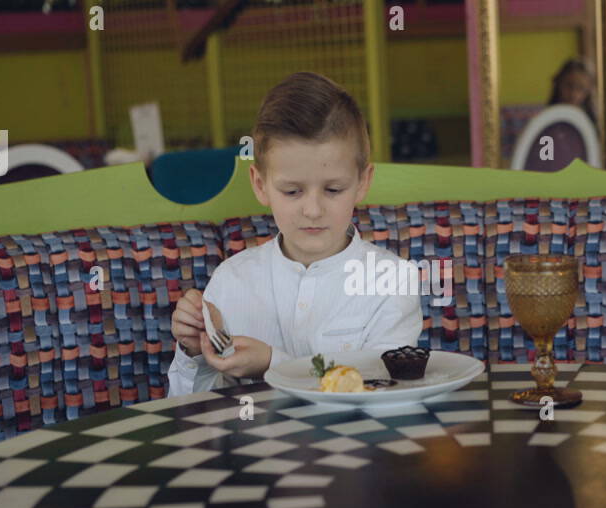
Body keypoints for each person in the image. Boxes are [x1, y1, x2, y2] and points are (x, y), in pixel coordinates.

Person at [166, 72, 422, 396]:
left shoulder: (391, 282)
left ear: (363, 182)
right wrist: (194, 352)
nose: (312, 210)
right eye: (291, 191)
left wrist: (275, 364)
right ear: (260, 185)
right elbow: (188, 411)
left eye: (333, 189)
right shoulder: (231, 282)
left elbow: (384, 394)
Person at [548, 59, 596, 125]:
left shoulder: (589, 122)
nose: (573, 94)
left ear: (588, 92)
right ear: (559, 83)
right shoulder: (546, 119)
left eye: (580, 88)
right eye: (569, 85)